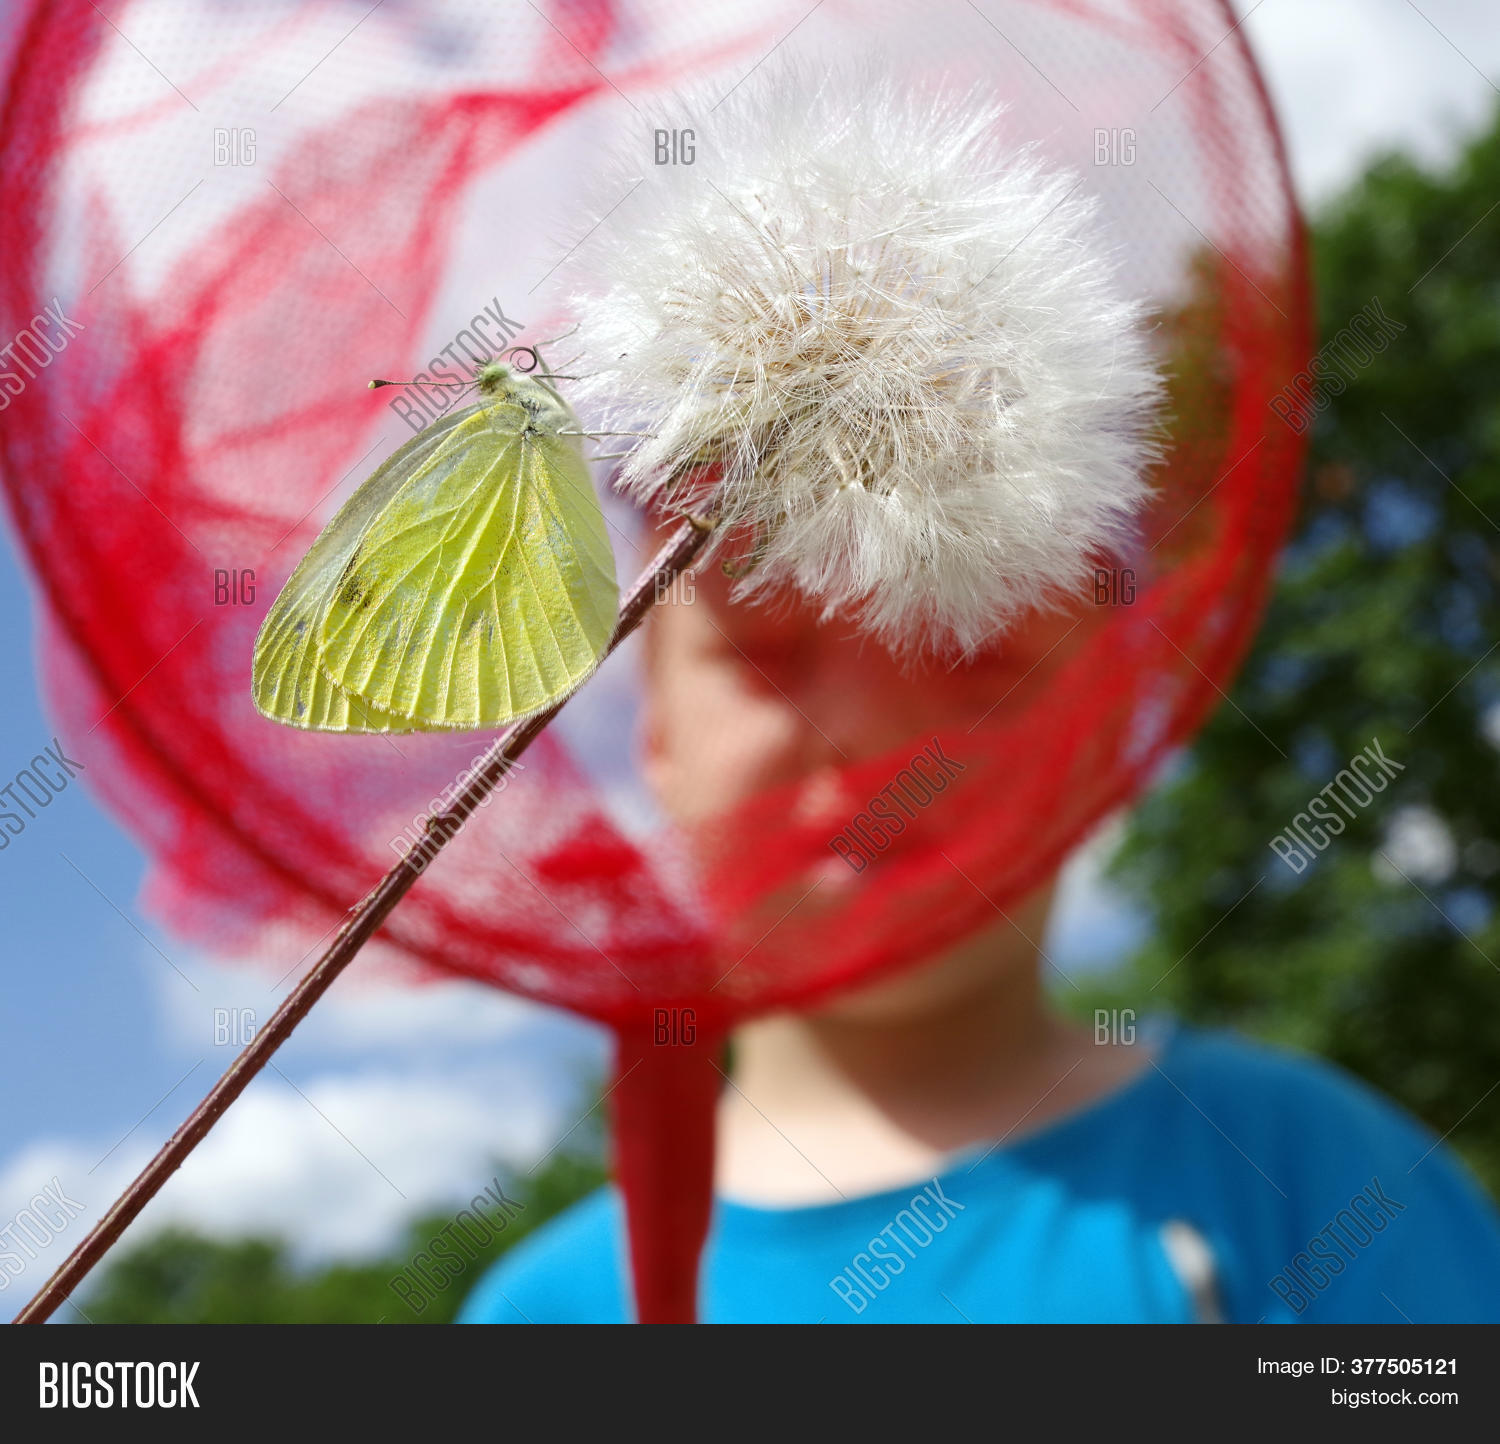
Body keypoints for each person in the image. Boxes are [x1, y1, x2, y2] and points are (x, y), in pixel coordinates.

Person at [458, 563, 1500, 1324]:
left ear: (1101, 734)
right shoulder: (545, 1312)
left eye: (975, 649)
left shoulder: (1319, 1183)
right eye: (767, 651)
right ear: (655, 738)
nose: (869, 730)